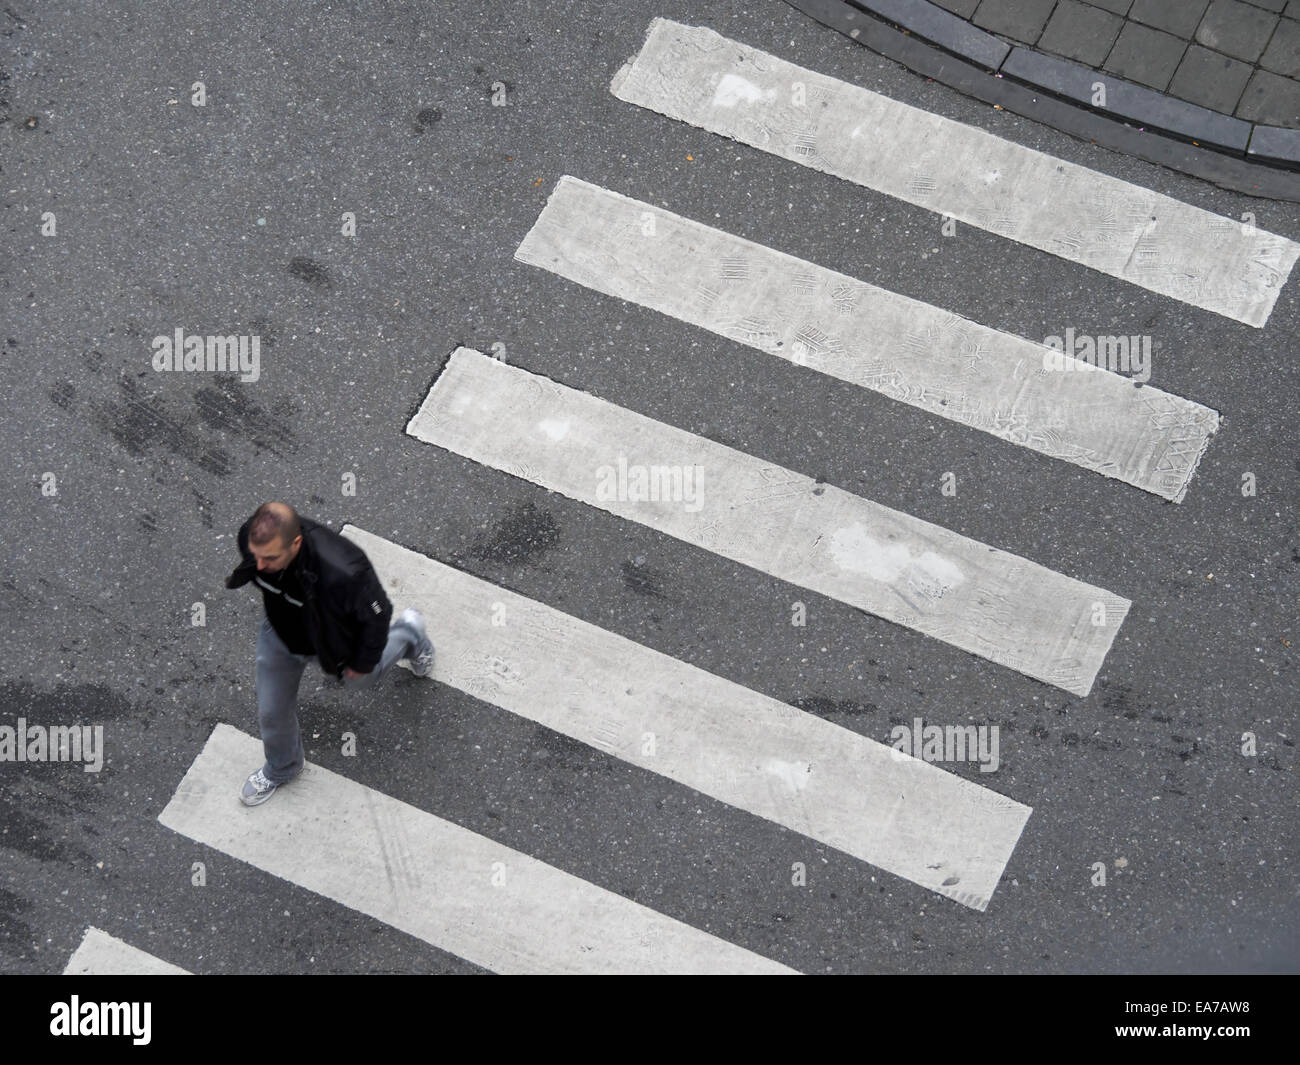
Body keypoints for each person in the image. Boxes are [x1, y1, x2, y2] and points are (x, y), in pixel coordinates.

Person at [224, 501, 434, 806]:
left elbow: (377, 615)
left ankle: (409, 635)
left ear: (295, 543)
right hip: (280, 636)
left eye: (269, 558)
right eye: (255, 556)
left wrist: (361, 663)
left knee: (364, 680)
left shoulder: (345, 570)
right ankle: (283, 767)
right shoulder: (252, 541)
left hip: (335, 644)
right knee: (271, 711)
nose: (258, 566)